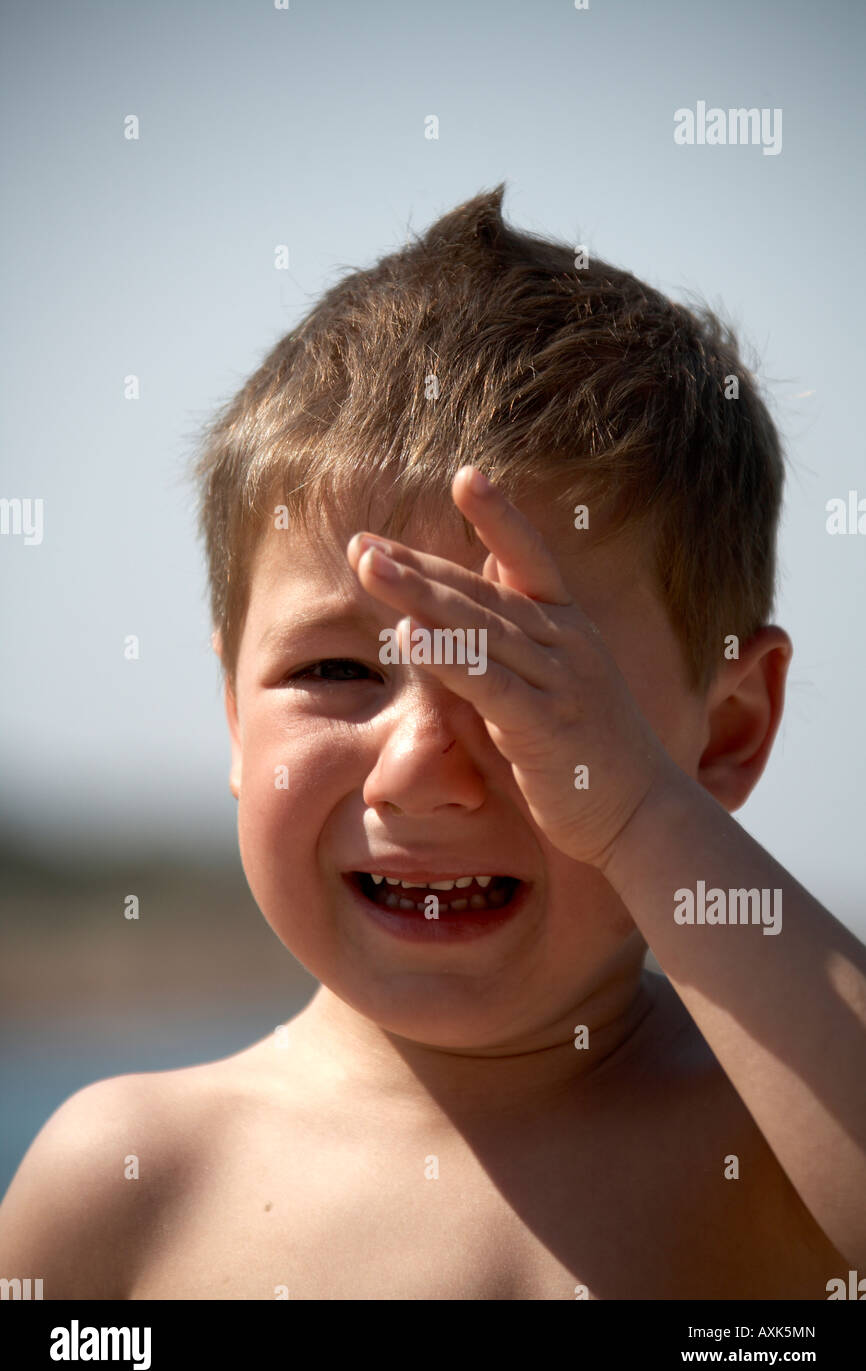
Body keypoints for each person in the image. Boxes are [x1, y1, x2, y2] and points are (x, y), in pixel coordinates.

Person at [1, 185, 863, 1300]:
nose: (417, 772)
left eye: (528, 683)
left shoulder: (785, 1151)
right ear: (231, 710)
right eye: (333, 671)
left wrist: (645, 816)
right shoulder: (128, 1182)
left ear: (727, 730)